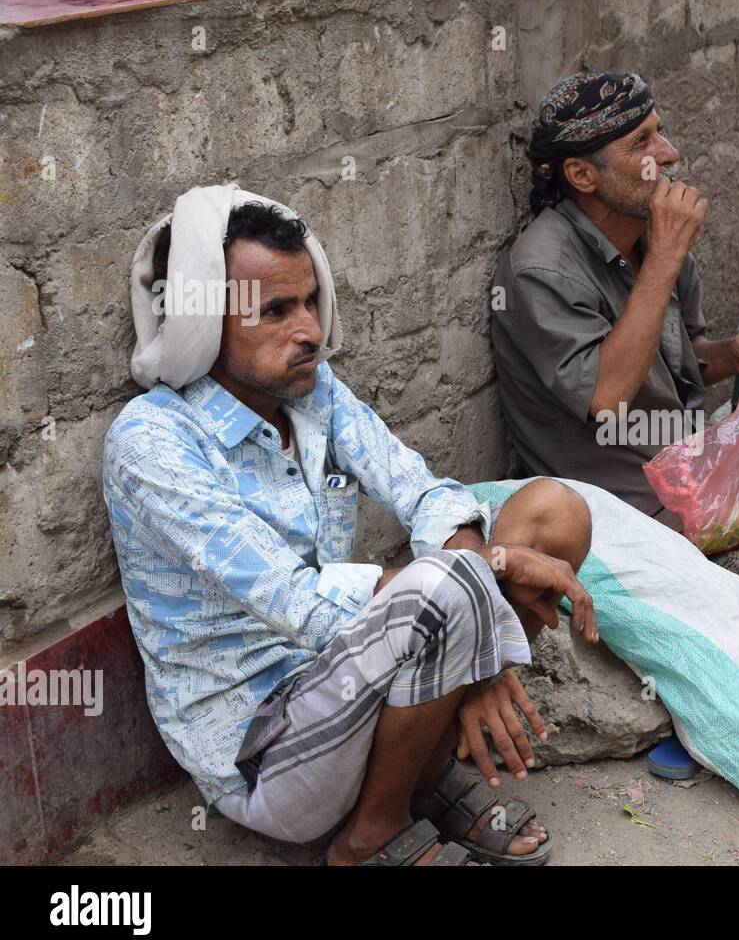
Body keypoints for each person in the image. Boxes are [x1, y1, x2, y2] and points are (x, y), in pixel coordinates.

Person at [103, 187, 594, 866]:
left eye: (309, 301)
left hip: (358, 683)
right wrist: (479, 620)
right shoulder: (153, 441)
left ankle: (419, 778)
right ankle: (372, 834)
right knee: (446, 590)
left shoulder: (313, 392)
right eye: (276, 311)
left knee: (552, 514)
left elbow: (422, 491)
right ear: (204, 320)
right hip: (268, 753)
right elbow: (294, 598)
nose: (308, 329)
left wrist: (476, 601)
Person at [489, 71, 739, 617]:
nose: (669, 154)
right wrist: (666, 257)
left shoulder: (650, 233)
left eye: (661, 133)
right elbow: (607, 399)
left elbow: (679, 353)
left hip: (689, 458)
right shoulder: (542, 268)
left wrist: (734, 353)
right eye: (643, 144)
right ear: (581, 174)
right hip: (630, 502)